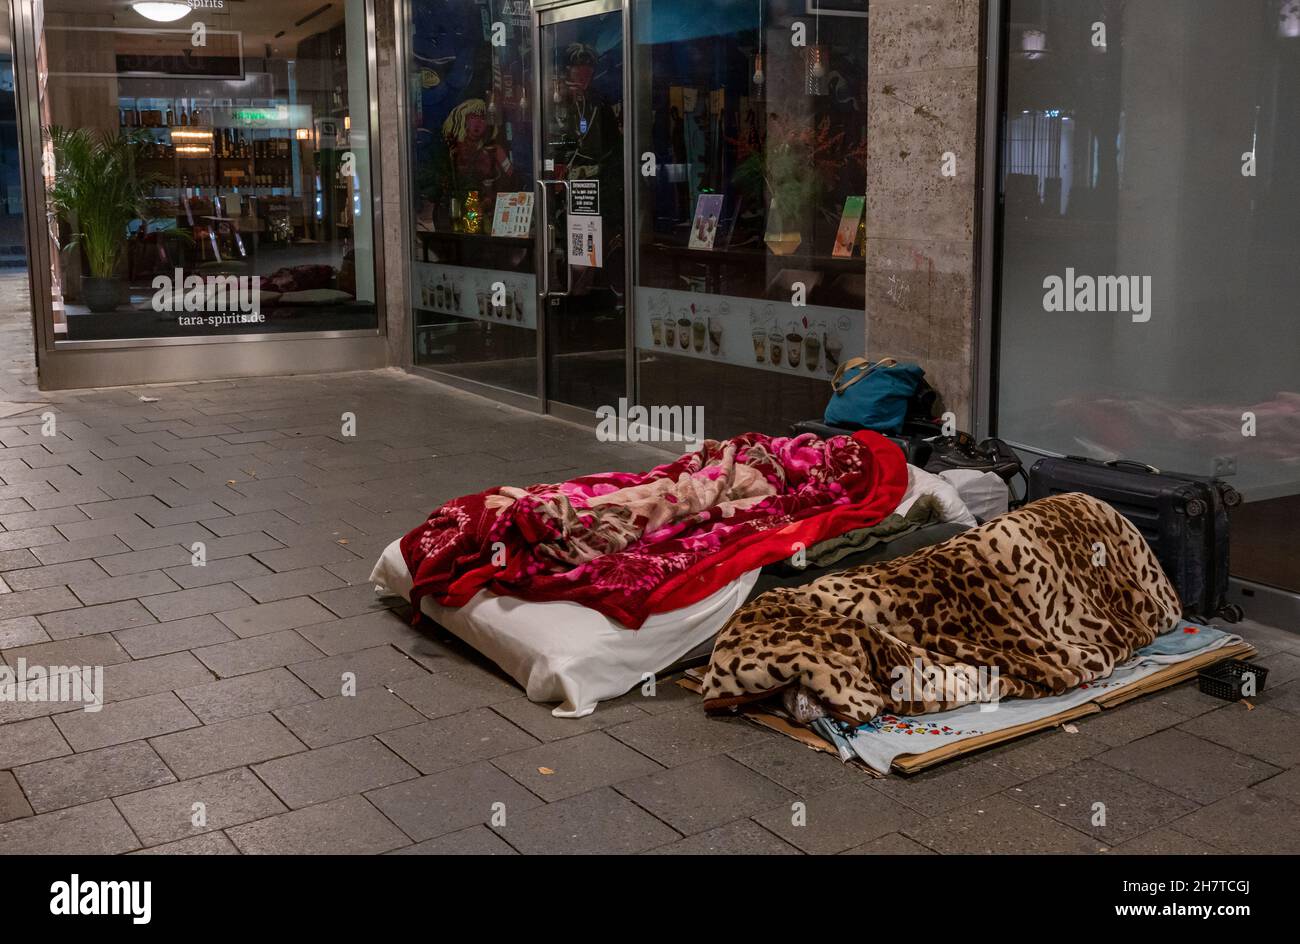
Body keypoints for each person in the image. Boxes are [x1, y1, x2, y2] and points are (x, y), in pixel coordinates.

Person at [442, 98, 515, 212]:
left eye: (483, 118)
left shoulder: (495, 150)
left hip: (490, 209)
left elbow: (513, 179)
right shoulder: (453, 150)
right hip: (457, 209)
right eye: (473, 117)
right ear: (463, 119)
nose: (478, 123)